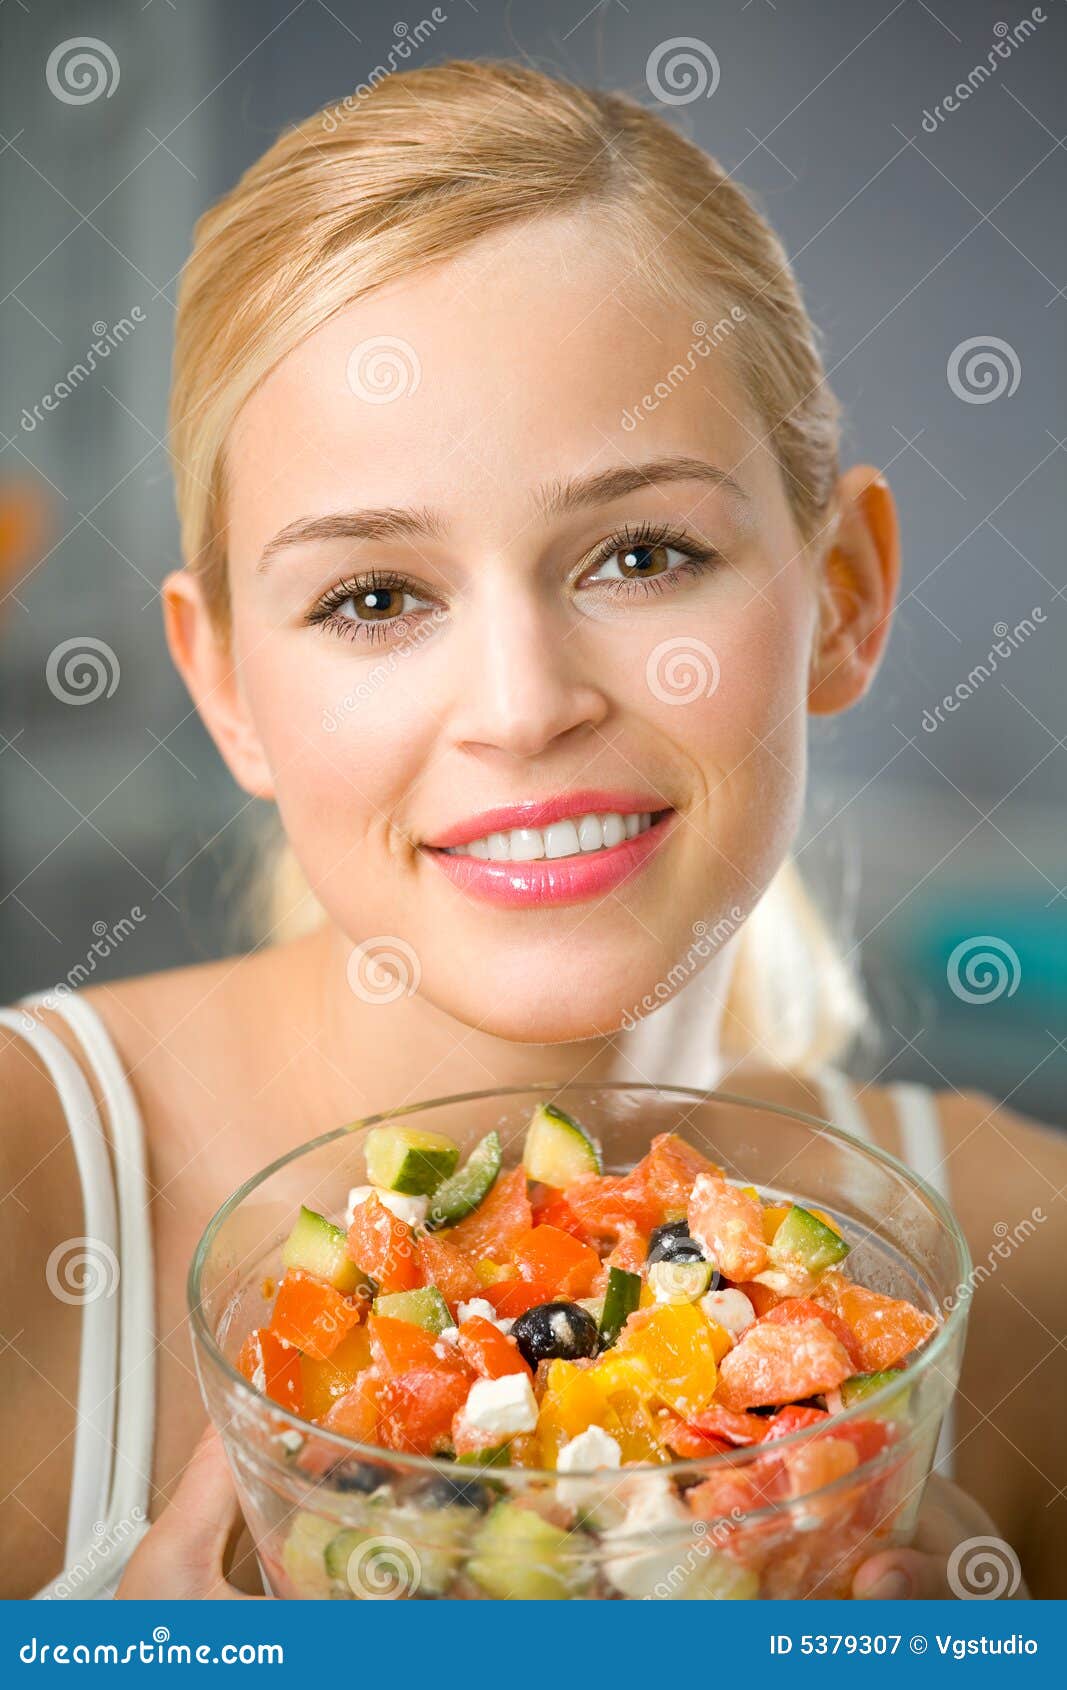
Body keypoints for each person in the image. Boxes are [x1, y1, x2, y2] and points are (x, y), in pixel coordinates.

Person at [1, 60, 1062, 1603]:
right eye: (374, 596)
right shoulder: (28, 1184)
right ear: (226, 684)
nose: (523, 703)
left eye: (641, 553)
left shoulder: (1023, 1262)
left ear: (843, 598)